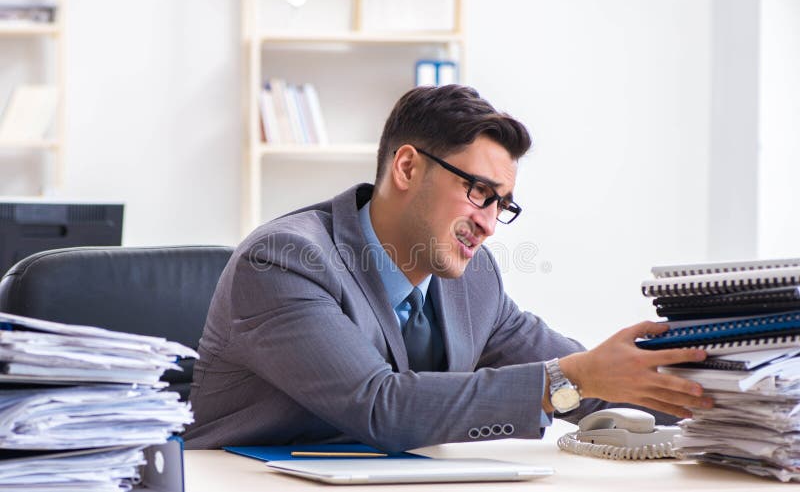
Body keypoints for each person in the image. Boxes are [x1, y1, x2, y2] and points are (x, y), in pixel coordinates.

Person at [184, 84, 712, 451]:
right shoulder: (284, 260)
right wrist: (565, 379)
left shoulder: (473, 281)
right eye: (477, 192)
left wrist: (730, 404)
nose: (488, 225)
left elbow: (588, 377)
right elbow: (379, 406)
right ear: (407, 167)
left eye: (501, 205)